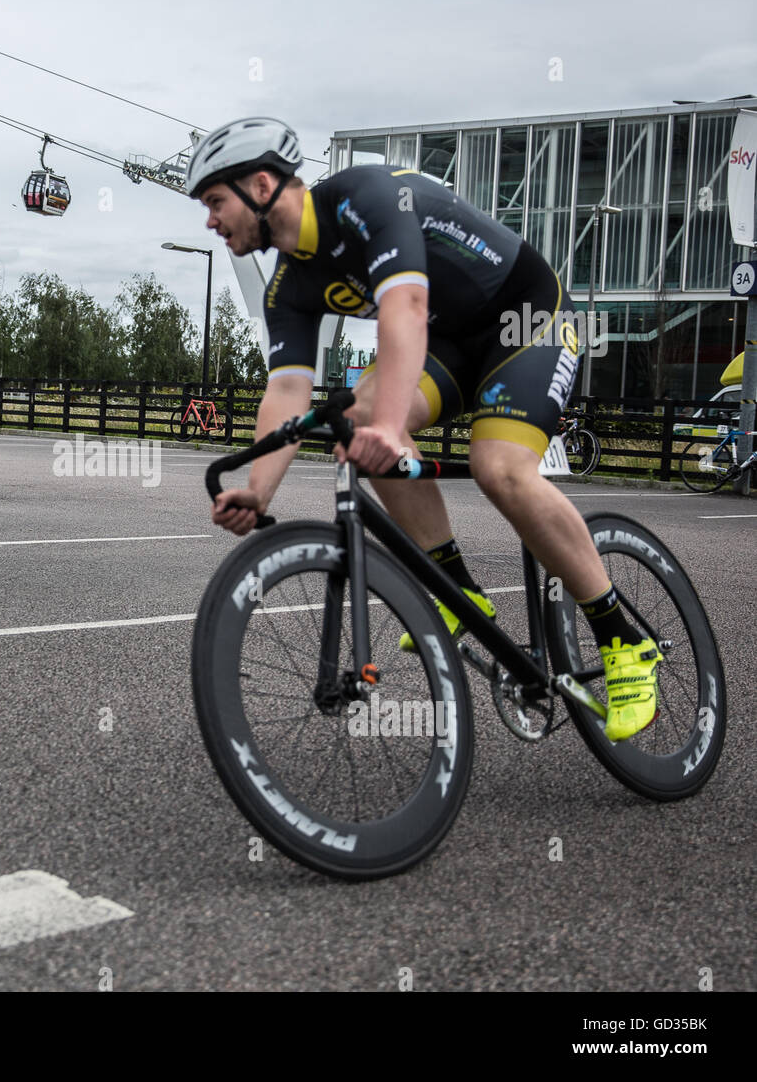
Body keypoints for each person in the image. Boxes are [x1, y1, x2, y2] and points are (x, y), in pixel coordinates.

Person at [189, 117, 660, 741]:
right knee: (353, 424)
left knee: (499, 468)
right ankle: (456, 589)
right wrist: (258, 491)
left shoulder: (366, 198)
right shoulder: (290, 286)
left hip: (525, 319)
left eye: (215, 202)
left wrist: (390, 425)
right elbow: (287, 390)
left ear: (261, 184)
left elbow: (404, 309)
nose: (210, 221)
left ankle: (624, 641)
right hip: (453, 343)